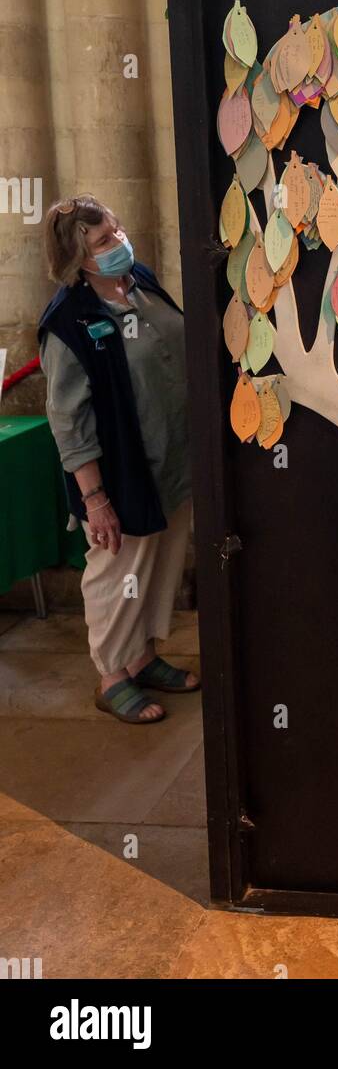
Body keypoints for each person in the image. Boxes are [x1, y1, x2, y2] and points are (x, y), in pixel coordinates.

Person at [38, 195, 199, 724]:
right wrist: (96, 499)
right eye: (104, 241)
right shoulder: (70, 322)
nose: (120, 243)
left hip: (171, 461)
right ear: (75, 259)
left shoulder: (140, 281)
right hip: (122, 475)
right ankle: (111, 677)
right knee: (117, 570)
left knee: (160, 562)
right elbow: (68, 420)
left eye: (117, 230)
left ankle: (143, 657)